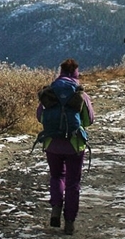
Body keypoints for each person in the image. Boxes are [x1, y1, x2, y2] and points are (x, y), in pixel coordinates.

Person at [36, 58, 95, 235]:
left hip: (52, 143)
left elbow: (40, 116)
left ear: (60, 72)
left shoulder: (50, 91)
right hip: (74, 144)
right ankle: (69, 221)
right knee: (73, 183)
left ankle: (55, 208)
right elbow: (89, 120)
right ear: (76, 73)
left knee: (56, 176)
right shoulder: (79, 94)